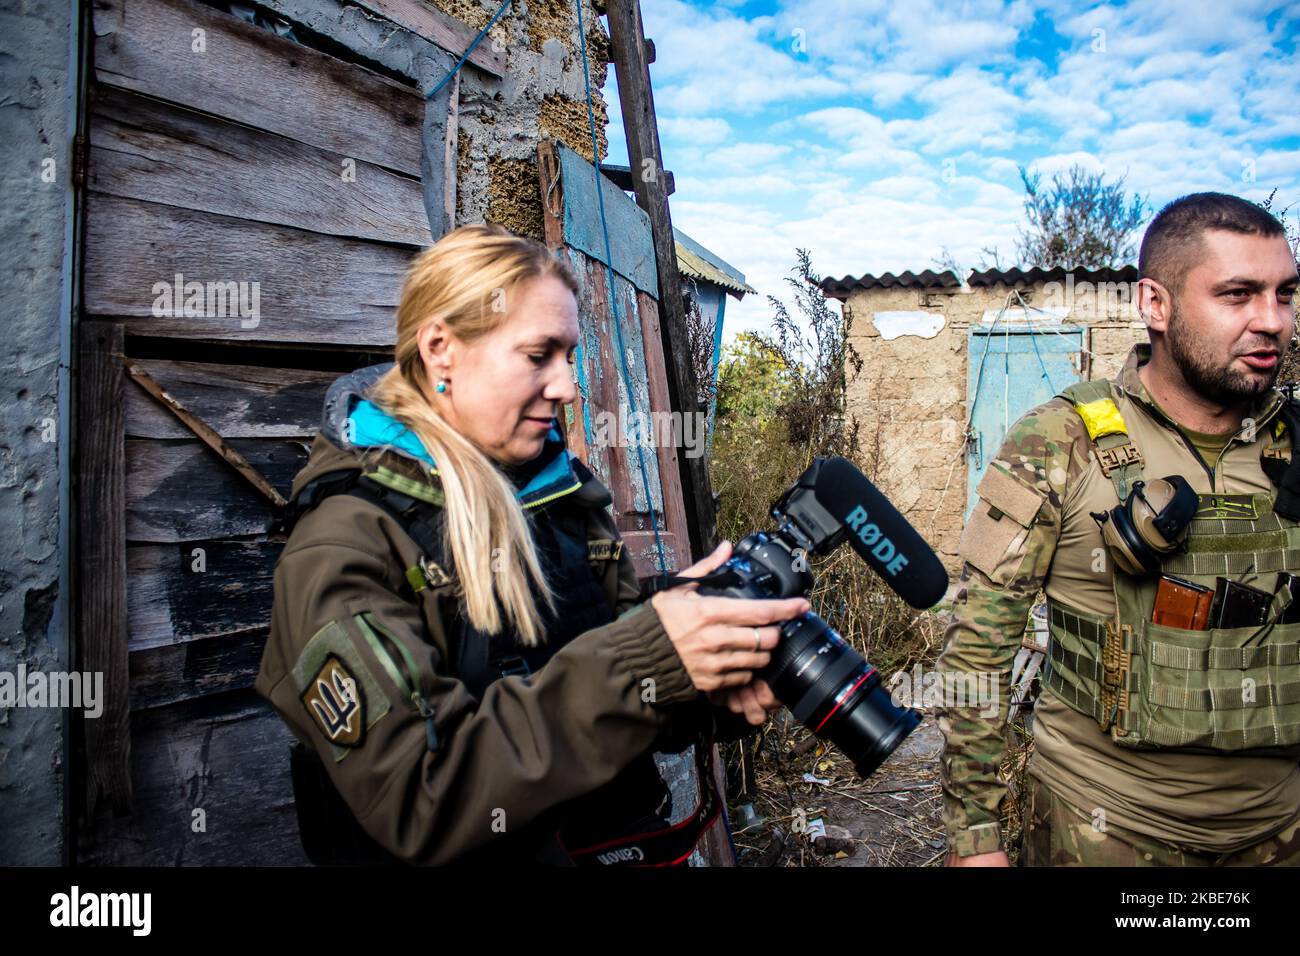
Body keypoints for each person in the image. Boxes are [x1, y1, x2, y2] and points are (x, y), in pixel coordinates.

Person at [255, 224, 802, 866]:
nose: (567, 386)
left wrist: (711, 672)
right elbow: (424, 793)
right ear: (441, 352)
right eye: (539, 354)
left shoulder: (564, 499)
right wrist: (647, 659)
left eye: (569, 355)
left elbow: (606, 696)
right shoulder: (344, 545)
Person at [938, 192, 1300, 866]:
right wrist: (975, 835)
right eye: (1238, 294)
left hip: (1280, 831)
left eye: (1285, 294)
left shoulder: (1293, 447)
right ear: (1154, 305)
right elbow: (980, 646)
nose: (1271, 321)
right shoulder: (1059, 440)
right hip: (1106, 827)